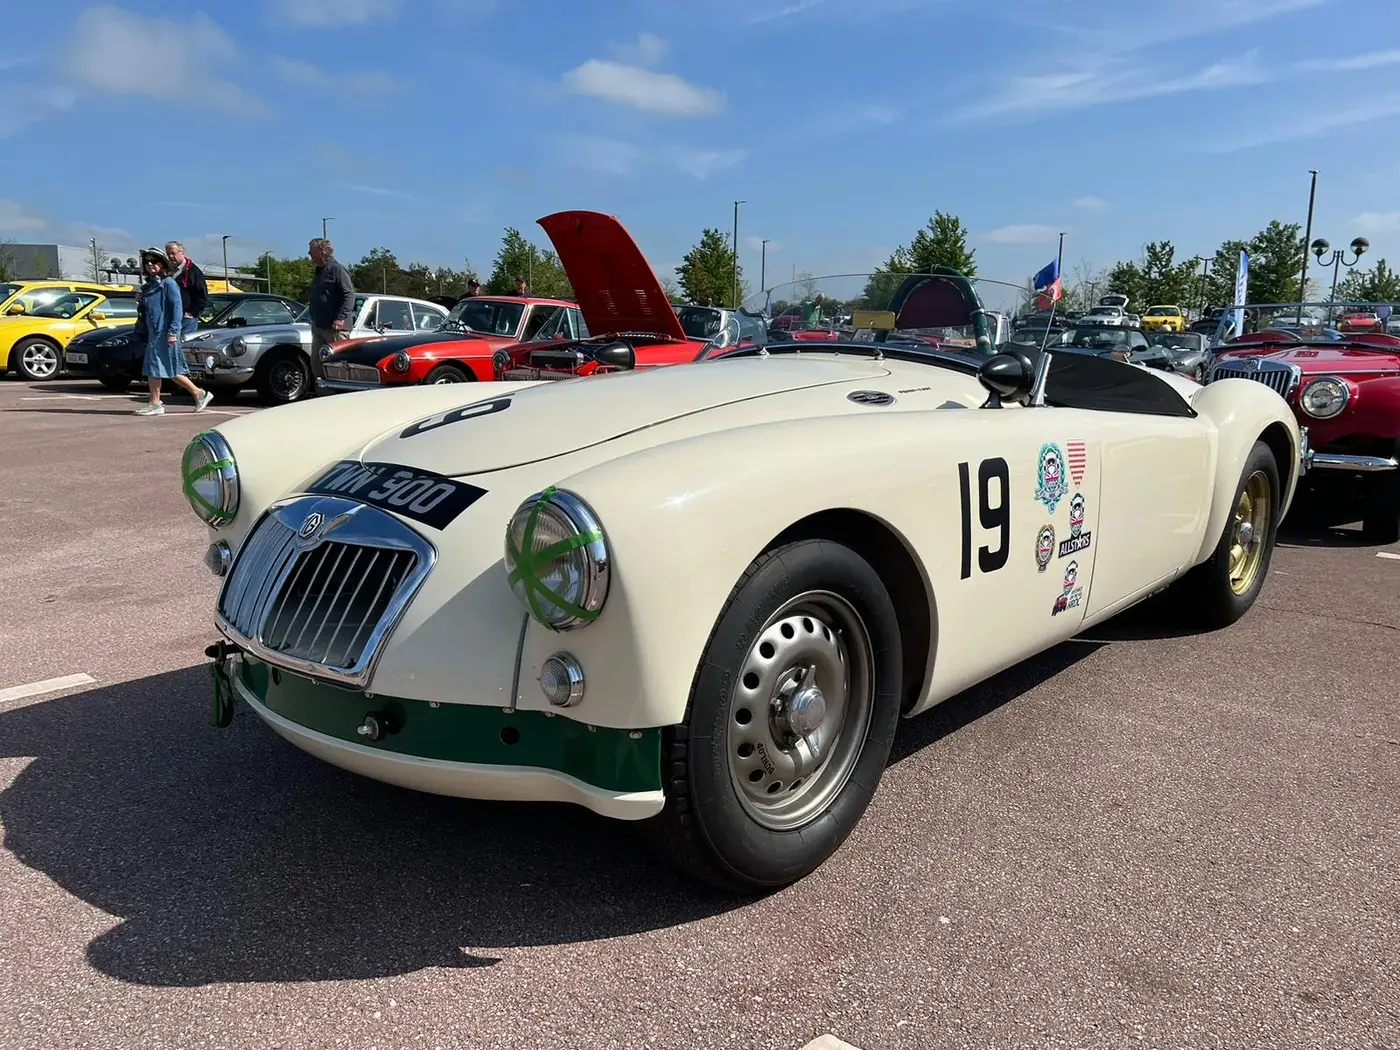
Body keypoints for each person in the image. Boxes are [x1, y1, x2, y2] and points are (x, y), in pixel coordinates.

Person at [135, 247, 213, 416]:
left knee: (156, 366)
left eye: (154, 261)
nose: (150, 264)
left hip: (164, 332)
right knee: (164, 367)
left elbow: (177, 308)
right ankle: (198, 393)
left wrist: (173, 332)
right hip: (154, 332)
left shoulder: (168, 284)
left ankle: (155, 402)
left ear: (162, 264)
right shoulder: (148, 287)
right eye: (147, 262)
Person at [307, 237, 355, 387]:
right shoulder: (319, 271)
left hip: (335, 329)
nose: (309, 253)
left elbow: (349, 295)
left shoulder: (337, 270)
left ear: (322, 252)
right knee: (316, 362)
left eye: (312, 251)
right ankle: (323, 392)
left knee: (338, 364)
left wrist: (340, 318)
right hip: (319, 326)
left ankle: (341, 393)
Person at [165, 240, 208, 336]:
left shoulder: (193, 271)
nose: (170, 256)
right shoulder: (167, 271)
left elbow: (202, 295)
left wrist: (191, 313)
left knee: (184, 344)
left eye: (173, 253)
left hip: (186, 318)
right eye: (168, 254)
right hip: (170, 316)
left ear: (182, 253)